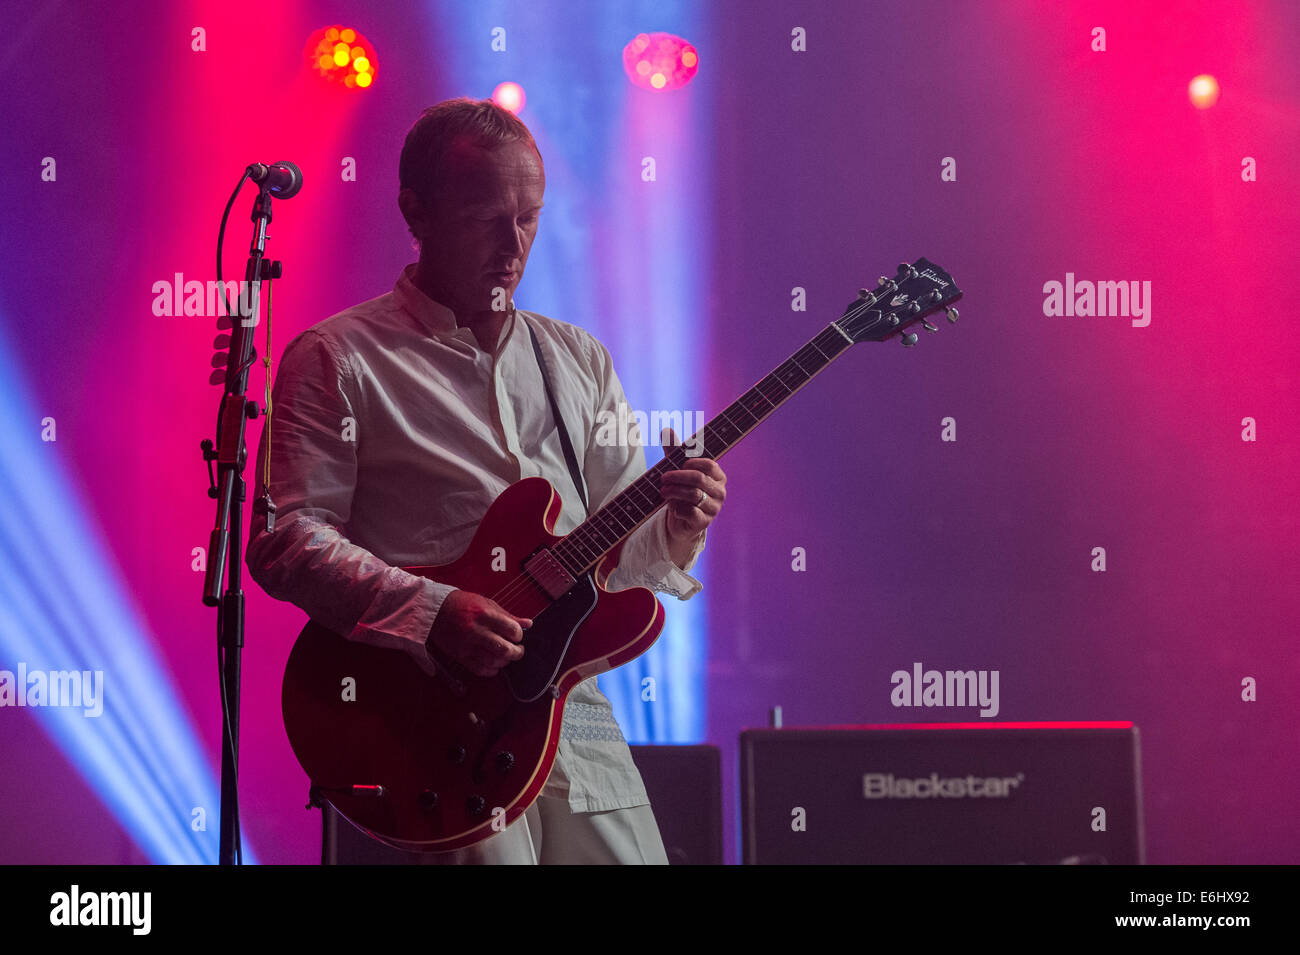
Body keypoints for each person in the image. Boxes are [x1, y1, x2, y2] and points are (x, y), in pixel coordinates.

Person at [245, 97, 727, 864]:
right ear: (417, 210)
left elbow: (627, 559)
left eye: (530, 218)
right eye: (485, 217)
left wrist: (680, 524)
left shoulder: (579, 359)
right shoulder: (338, 357)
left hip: (575, 711)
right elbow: (285, 539)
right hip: (432, 718)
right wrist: (432, 610)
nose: (514, 245)